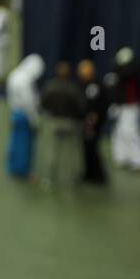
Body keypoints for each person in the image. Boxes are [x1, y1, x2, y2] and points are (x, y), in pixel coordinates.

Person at [40, 61, 85, 189]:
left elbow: (43, 103)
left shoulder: (50, 86)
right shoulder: (73, 88)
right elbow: (80, 106)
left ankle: (48, 178)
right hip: (70, 123)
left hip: (54, 122)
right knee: (71, 152)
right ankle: (72, 180)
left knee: (52, 150)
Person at [105, 48, 140, 172]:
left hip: (131, 107)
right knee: (118, 133)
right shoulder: (118, 73)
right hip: (120, 106)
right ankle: (122, 157)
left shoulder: (133, 70)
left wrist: (118, 69)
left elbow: (125, 72)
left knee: (131, 132)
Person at [6, 55, 45, 179]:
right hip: (24, 115)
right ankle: (23, 171)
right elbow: (29, 102)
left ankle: (13, 166)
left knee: (15, 141)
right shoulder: (25, 81)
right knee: (24, 145)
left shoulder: (14, 75)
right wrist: (35, 118)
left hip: (15, 112)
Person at [77, 59, 110, 185]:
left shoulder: (97, 86)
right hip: (84, 122)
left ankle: (99, 175)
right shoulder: (81, 85)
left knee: (93, 148)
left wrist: (97, 116)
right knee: (86, 148)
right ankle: (88, 173)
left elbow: (103, 103)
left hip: (95, 123)